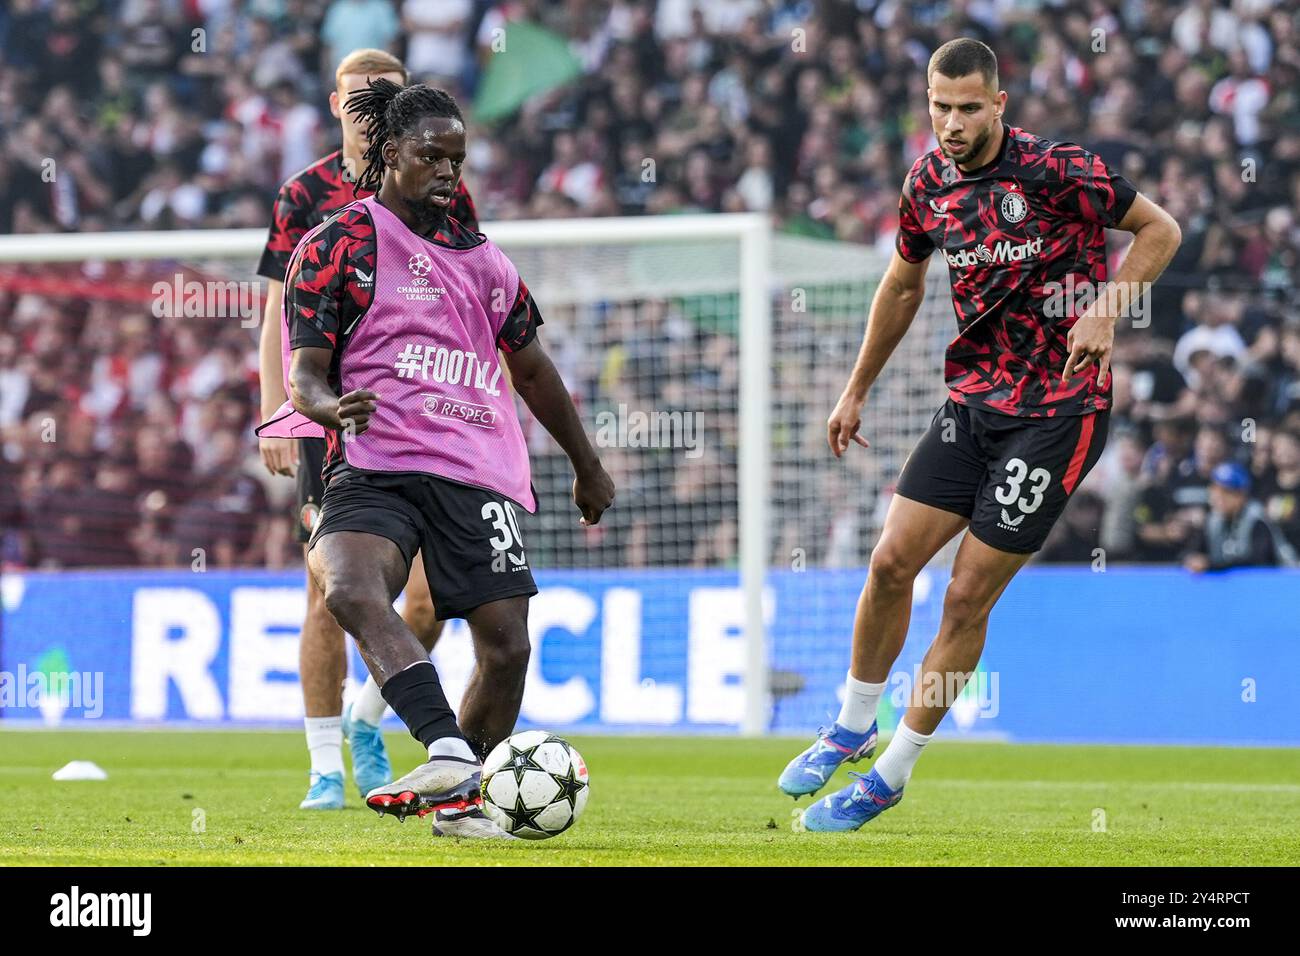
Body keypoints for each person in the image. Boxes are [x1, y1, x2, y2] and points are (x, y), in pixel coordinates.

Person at [779, 38, 1182, 831]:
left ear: (1000, 103)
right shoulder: (927, 183)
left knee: (965, 596)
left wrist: (1106, 308)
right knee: (891, 562)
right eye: (940, 107)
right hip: (974, 403)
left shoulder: (1060, 170)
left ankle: (890, 773)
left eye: (968, 107)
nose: (952, 123)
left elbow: (1160, 230)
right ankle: (850, 726)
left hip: (1060, 412)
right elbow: (903, 282)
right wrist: (855, 387)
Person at [266, 80, 614, 837]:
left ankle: (459, 805)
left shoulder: (486, 261)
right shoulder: (336, 244)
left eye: (458, 159)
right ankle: (450, 752)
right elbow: (306, 376)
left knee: (508, 648)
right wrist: (325, 409)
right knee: (349, 587)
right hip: (375, 462)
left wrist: (587, 464)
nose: (449, 172)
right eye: (433, 156)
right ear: (390, 155)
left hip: (474, 468)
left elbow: (533, 370)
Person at [255, 49, 479, 811]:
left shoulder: (443, 186)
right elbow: (276, 314)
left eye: (380, 95)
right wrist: (280, 409)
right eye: (357, 95)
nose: (366, 106)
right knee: (326, 591)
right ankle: (324, 768)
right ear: (334, 102)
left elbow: (470, 291)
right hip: (328, 417)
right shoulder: (303, 196)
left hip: (420, 417)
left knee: (426, 602)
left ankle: (367, 720)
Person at [1183, 463, 1297, 572]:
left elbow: (1259, 562)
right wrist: (1192, 559)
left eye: (1226, 492)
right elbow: (1193, 553)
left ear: (1242, 494)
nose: (1218, 496)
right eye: (1215, 489)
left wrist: (1212, 565)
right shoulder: (1212, 520)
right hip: (1235, 587)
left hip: (1280, 583)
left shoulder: (1256, 519)